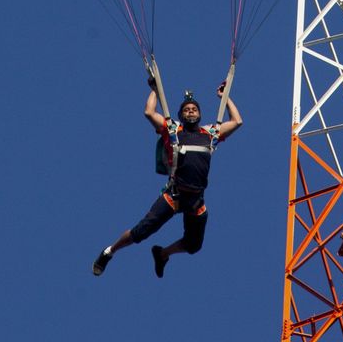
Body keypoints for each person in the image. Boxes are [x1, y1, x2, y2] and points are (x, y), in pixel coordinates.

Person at [92, 76, 243, 278]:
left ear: (199, 114)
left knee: (193, 245)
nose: (191, 111)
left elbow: (237, 121)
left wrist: (225, 97)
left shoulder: (211, 133)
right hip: (174, 196)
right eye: (187, 110)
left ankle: (162, 254)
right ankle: (109, 251)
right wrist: (155, 90)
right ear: (181, 114)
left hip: (195, 201)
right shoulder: (172, 129)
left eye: (194, 109)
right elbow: (149, 112)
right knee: (141, 231)